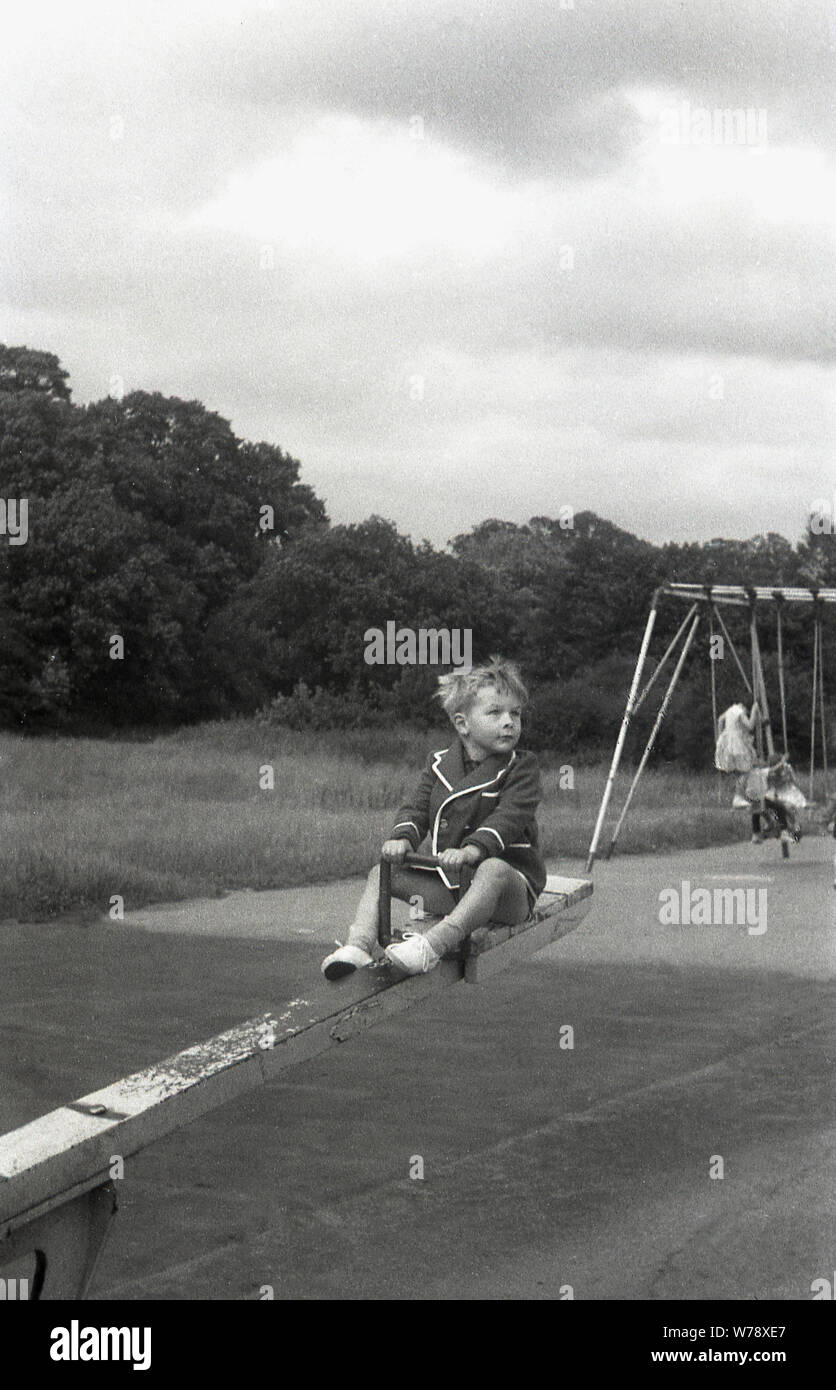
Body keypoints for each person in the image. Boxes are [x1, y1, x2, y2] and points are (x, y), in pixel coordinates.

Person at [320, 656, 546, 980]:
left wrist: (473, 849)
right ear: (463, 724)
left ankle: (431, 946)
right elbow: (416, 807)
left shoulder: (521, 767)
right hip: (453, 885)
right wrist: (402, 838)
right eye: (495, 712)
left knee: (492, 869)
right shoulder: (439, 764)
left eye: (516, 713)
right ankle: (358, 946)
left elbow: (511, 816)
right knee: (381, 873)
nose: (509, 722)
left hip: (508, 892)